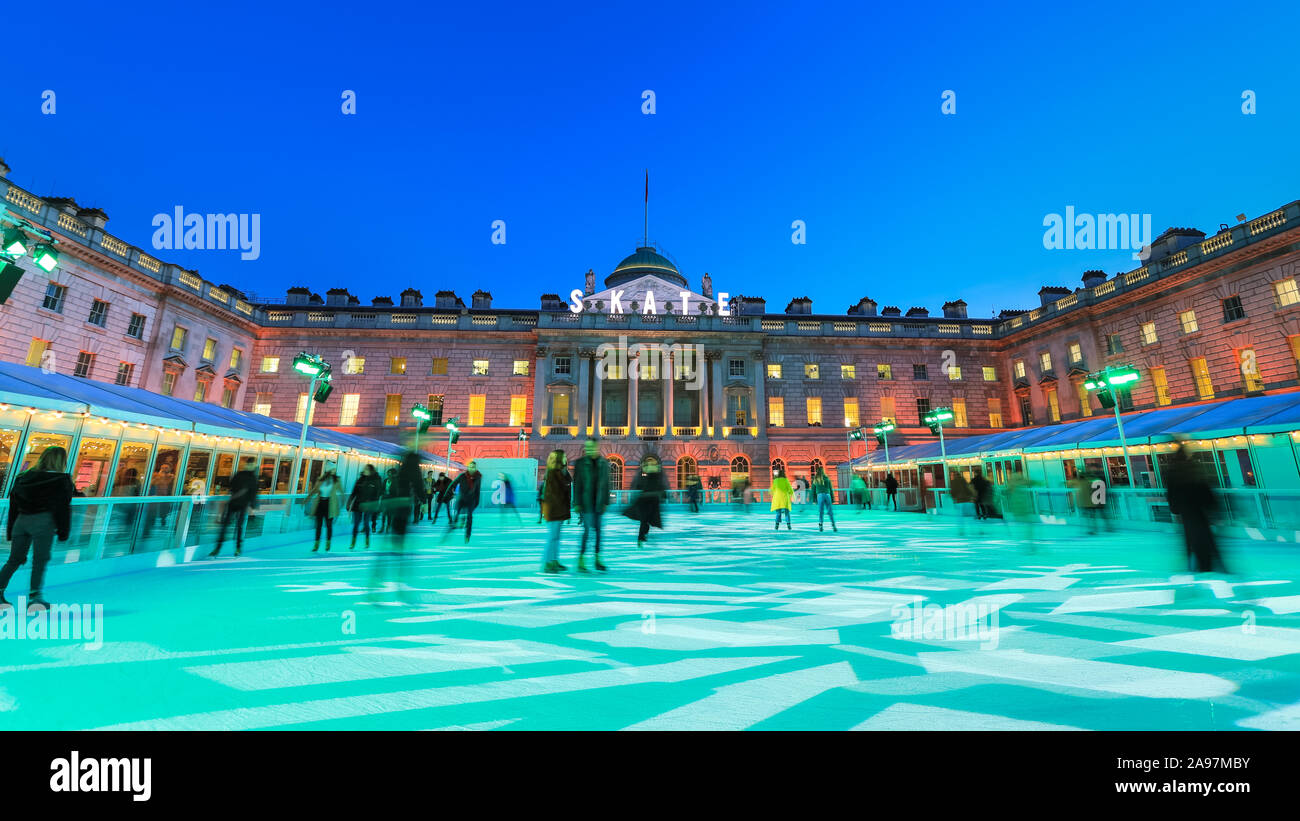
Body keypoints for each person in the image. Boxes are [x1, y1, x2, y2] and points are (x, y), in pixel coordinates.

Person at [1, 446, 74, 611]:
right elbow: (62, 507)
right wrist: (64, 531)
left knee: (14, 560)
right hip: (44, 522)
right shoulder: (62, 480)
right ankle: (35, 599)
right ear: (61, 461)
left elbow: (14, 505)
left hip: (21, 521)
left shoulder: (23, 477)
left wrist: (11, 530)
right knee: (39, 561)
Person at [370, 450, 426, 600]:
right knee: (400, 550)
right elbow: (419, 487)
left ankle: (377, 580)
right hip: (403, 510)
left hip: (395, 509)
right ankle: (399, 584)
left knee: (391, 546)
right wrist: (423, 501)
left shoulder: (400, 471)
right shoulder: (413, 470)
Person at [1164, 444, 1228, 573]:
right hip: (1199, 510)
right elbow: (1204, 488)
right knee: (1205, 537)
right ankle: (1209, 564)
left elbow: (1171, 493)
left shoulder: (1173, 472)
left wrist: (1175, 507)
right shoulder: (1192, 469)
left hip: (1187, 512)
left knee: (1192, 538)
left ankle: (1196, 565)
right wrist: (1213, 506)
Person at [572, 439, 609, 572]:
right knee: (587, 532)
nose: (589, 450)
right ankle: (581, 559)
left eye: (592, 447)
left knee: (599, 532)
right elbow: (577, 485)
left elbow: (606, 484)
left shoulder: (604, 463)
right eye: (587, 447)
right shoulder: (580, 464)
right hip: (586, 503)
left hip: (598, 503)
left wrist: (606, 502)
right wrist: (576, 503)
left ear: (597, 447)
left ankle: (597, 559)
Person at [210, 459, 259, 557]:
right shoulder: (252, 478)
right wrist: (252, 507)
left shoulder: (239, 474)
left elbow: (230, 486)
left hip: (233, 503)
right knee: (239, 526)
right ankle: (237, 548)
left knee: (225, 526)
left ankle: (218, 548)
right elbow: (253, 493)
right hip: (242, 504)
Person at [625, 455, 666, 546]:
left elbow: (639, 485)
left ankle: (641, 537)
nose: (650, 466)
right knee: (645, 520)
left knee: (646, 521)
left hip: (649, 500)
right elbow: (639, 485)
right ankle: (641, 537)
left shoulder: (651, 474)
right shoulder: (648, 474)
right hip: (646, 500)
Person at [541, 450, 571, 573]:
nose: (566, 458)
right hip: (554, 510)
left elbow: (568, 482)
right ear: (558, 458)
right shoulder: (553, 473)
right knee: (553, 538)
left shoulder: (560, 472)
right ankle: (548, 563)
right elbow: (554, 494)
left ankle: (554, 560)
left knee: (556, 538)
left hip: (559, 509)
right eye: (564, 457)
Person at [446, 460, 483, 542]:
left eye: (473, 467)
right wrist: (448, 493)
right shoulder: (462, 476)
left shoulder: (478, 477)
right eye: (470, 467)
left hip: (471, 500)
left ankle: (467, 535)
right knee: (458, 511)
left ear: (475, 468)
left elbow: (477, 490)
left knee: (469, 517)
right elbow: (453, 484)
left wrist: (476, 502)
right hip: (462, 499)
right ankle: (454, 524)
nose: (471, 469)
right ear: (468, 468)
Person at [307, 470, 344, 552]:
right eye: (331, 471)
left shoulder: (336, 480)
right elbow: (314, 490)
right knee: (318, 526)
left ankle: (328, 543)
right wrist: (306, 499)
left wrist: (343, 501)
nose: (332, 472)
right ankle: (316, 544)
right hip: (320, 504)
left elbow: (341, 491)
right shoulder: (321, 480)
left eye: (334, 471)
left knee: (328, 525)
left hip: (330, 505)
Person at [348, 464, 383, 549]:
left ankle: (367, 541)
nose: (365, 470)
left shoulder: (375, 481)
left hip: (368, 505)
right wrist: (349, 504)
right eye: (364, 468)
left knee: (366, 523)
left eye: (367, 469)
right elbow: (354, 493)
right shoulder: (360, 480)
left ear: (371, 471)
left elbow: (377, 495)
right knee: (356, 524)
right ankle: (353, 542)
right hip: (358, 505)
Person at [811, 466, 837, 532]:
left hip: (820, 495)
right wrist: (833, 499)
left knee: (821, 511)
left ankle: (820, 525)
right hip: (827, 495)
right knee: (830, 511)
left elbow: (813, 490)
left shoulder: (816, 479)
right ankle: (833, 525)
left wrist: (814, 500)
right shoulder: (827, 478)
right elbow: (831, 489)